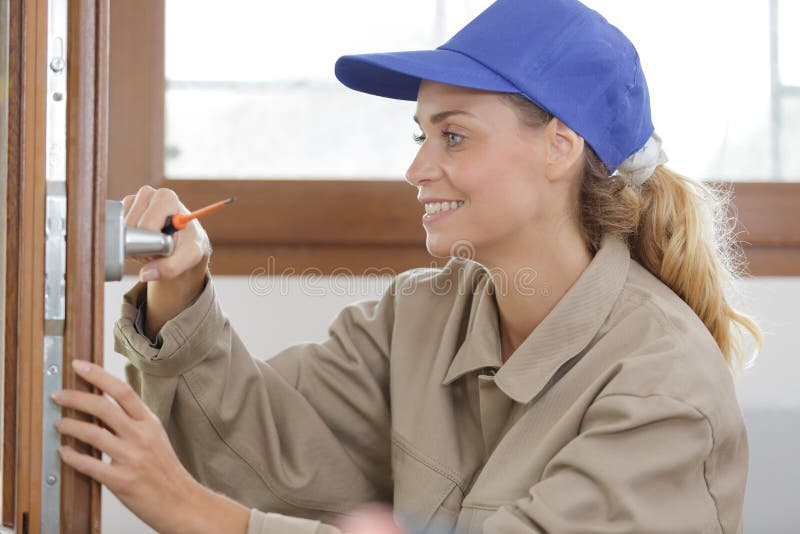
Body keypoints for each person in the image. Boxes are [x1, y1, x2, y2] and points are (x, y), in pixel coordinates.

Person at [53, 0, 762, 532]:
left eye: (454, 136)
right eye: (421, 135)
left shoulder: (664, 390)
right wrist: (179, 294)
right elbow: (264, 448)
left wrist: (190, 510)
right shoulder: (422, 314)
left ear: (560, 146)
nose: (417, 168)